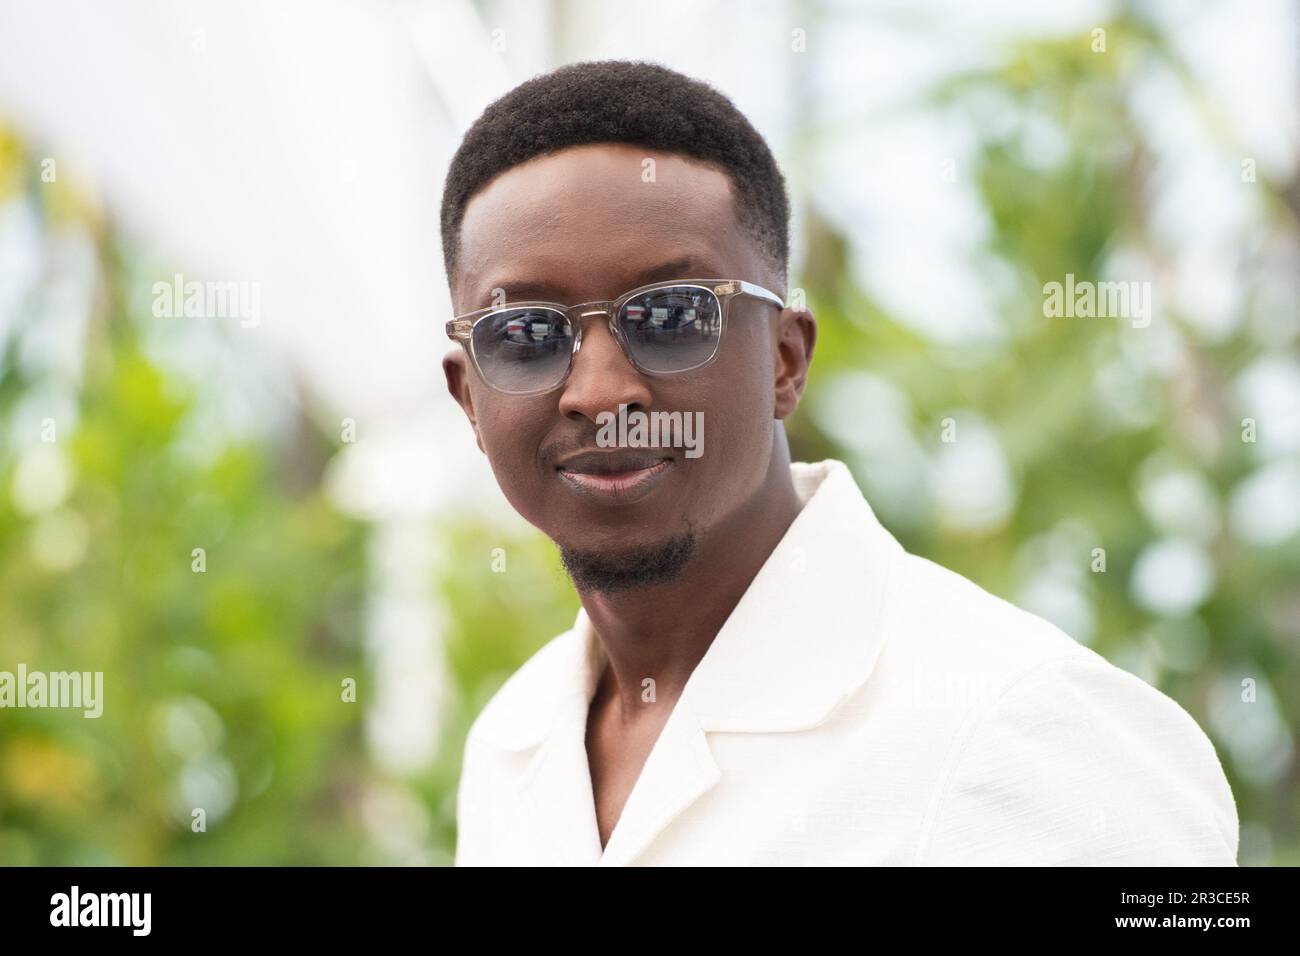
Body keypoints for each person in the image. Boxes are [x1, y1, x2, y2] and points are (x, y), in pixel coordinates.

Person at [440, 60, 1238, 865]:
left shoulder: (1015, 724)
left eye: (673, 316)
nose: (601, 392)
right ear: (468, 398)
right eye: (527, 335)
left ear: (786, 361)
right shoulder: (514, 746)